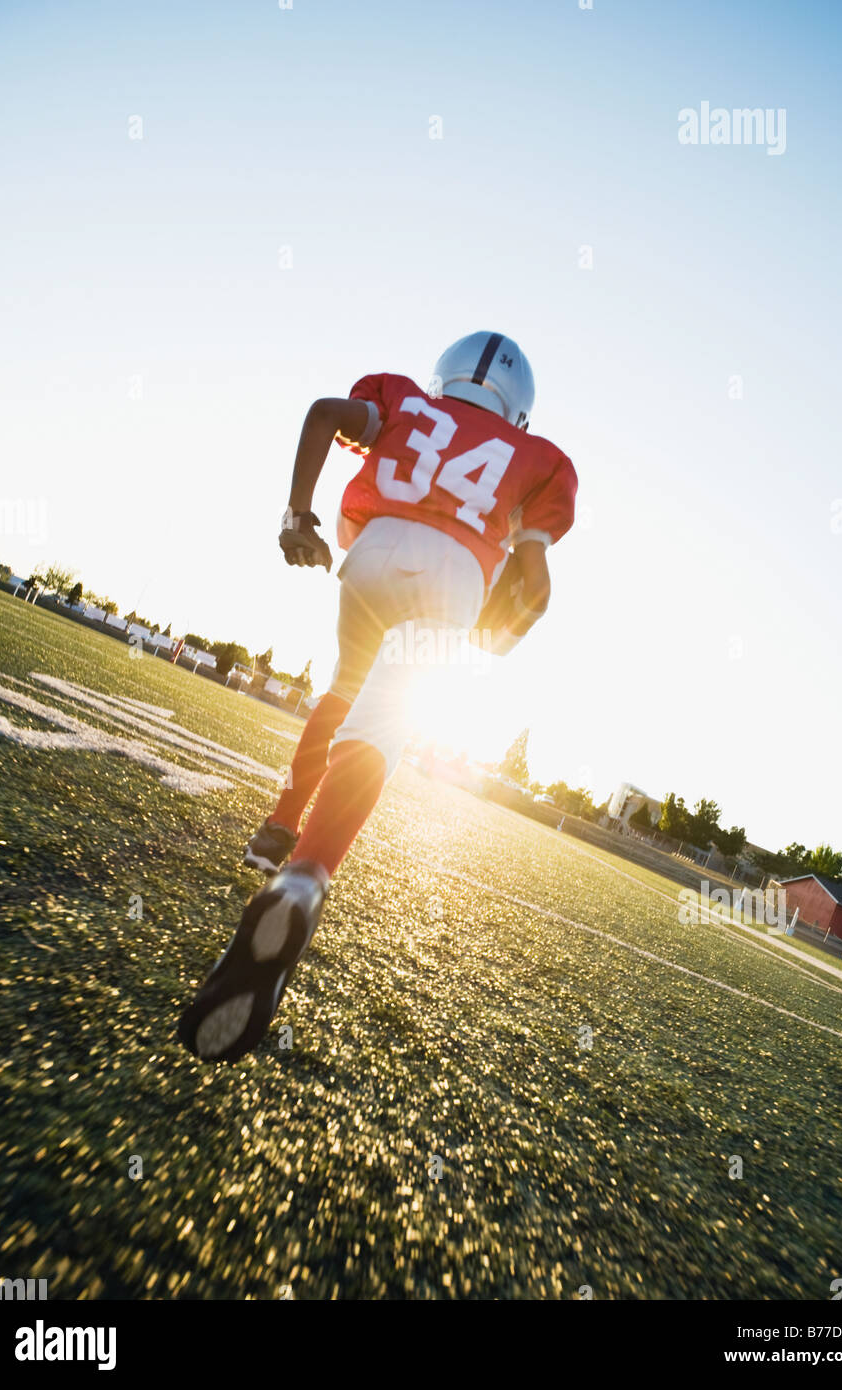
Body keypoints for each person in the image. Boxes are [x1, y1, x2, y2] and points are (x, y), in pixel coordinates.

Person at [178, 332, 577, 1063]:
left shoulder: (403, 398)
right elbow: (538, 591)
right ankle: (305, 880)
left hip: (371, 555)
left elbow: (326, 411)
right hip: (456, 574)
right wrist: (500, 638)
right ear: (519, 411)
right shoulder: (538, 460)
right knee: (388, 721)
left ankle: (278, 830)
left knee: (345, 689)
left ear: (446, 375)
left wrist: (296, 515)